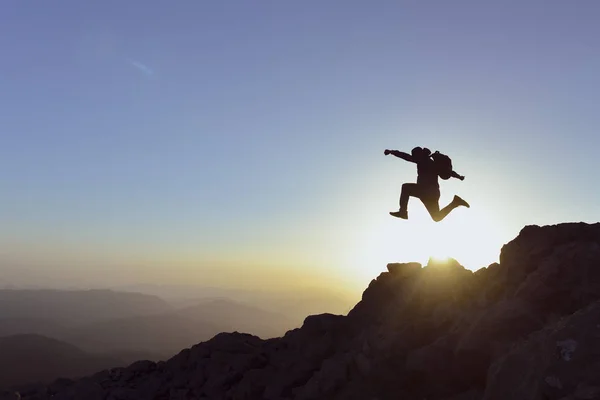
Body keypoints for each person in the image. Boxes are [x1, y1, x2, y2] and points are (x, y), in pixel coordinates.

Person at [384, 146, 470, 221]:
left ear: (419, 154)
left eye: (414, 155)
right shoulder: (434, 164)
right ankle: (455, 202)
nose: (414, 158)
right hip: (433, 194)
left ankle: (403, 212)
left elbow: (405, 156)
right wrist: (459, 177)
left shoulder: (423, 160)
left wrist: (391, 152)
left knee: (405, 187)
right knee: (437, 217)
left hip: (426, 191)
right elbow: (450, 172)